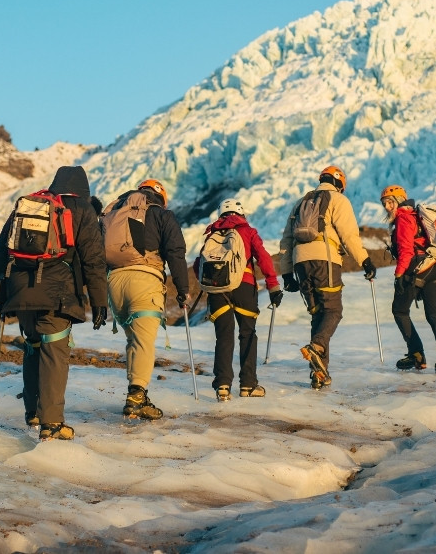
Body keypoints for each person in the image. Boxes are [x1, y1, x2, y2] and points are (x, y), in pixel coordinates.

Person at [0, 166, 108, 441]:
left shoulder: (31, 205)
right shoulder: (82, 208)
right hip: (57, 292)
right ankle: (52, 424)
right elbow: (93, 259)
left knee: (33, 348)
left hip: (21, 293)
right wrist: (99, 301)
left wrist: (0, 294)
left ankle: (33, 412)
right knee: (54, 353)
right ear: (84, 189)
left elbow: (0, 251)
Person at [278, 166, 375, 389]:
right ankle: (316, 347)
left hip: (301, 263)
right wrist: (365, 261)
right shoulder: (338, 200)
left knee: (318, 315)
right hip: (325, 260)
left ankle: (318, 373)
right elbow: (349, 235)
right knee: (333, 310)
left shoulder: (300, 203)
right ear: (339, 184)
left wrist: (286, 274)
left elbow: (286, 241)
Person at [103, 178, 188, 420]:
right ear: (160, 197)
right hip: (144, 281)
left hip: (115, 283)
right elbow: (175, 252)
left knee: (134, 341)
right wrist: (182, 289)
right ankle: (137, 397)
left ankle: (137, 394)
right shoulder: (161, 215)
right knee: (143, 342)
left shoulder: (116, 212)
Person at [195, 199, 283, 401]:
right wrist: (273, 285)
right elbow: (263, 257)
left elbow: (199, 265)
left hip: (218, 290)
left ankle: (223, 386)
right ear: (241, 214)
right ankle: (248, 385)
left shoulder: (213, 234)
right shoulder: (248, 231)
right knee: (248, 334)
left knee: (224, 336)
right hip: (244, 288)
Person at [381, 185, 436, 373]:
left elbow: (406, 251)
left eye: (390, 202)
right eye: (384, 203)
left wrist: (399, 275)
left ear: (399, 201)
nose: (388, 207)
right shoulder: (419, 218)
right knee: (434, 312)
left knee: (399, 310)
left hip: (416, 269)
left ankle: (416, 354)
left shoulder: (404, 219)